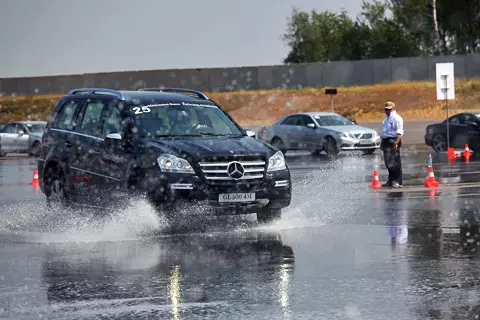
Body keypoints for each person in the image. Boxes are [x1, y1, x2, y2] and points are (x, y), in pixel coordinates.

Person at [380, 101, 404, 188]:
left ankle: (397, 181)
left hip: (393, 141)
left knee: (395, 162)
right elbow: (384, 132)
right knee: (388, 163)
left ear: (393, 109)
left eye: (389, 109)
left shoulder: (397, 118)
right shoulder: (386, 120)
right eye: (386, 109)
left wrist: (396, 142)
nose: (387, 111)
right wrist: (382, 143)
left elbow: (399, 131)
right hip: (386, 141)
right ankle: (391, 180)